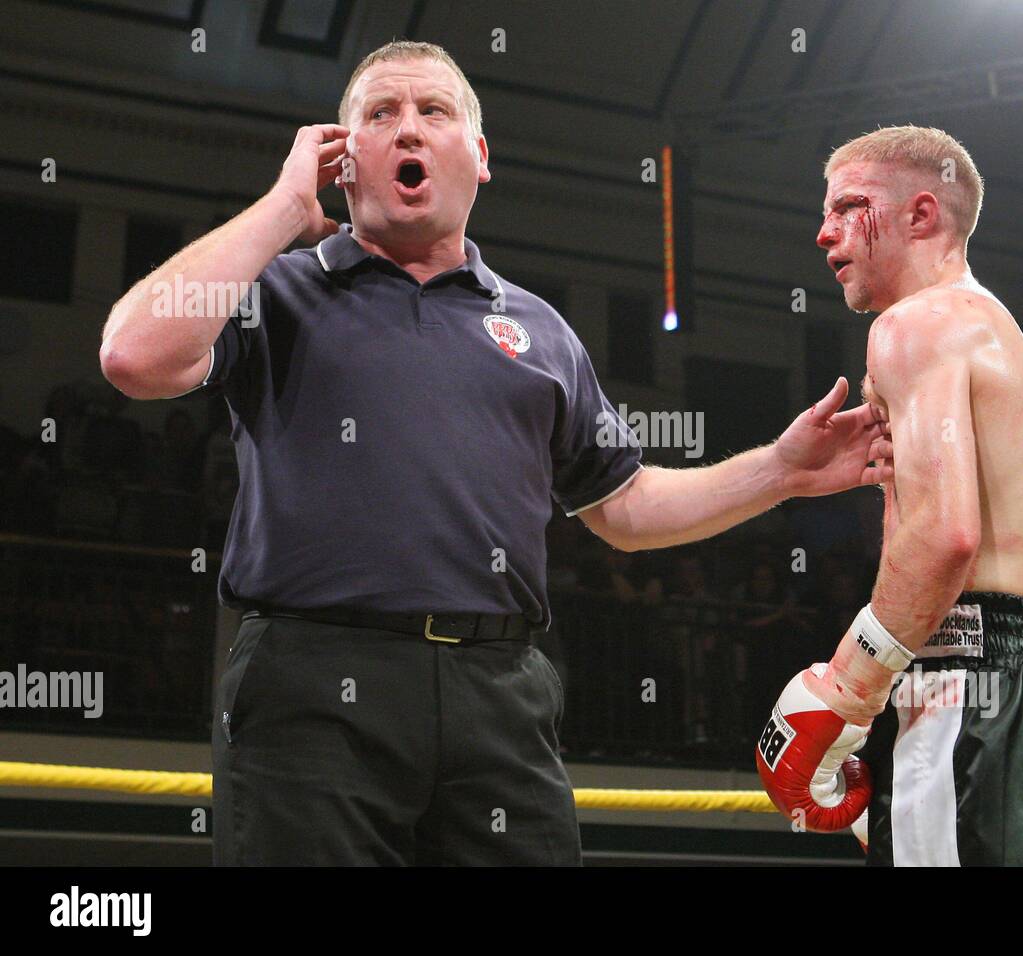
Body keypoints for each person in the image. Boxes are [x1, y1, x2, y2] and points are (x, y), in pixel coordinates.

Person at [98, 41, 893, 865]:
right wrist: (279, 207)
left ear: (477, 159)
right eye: (380, 115)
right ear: (342, 159)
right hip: (312, 688)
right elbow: (134, 357)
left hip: (499, 692)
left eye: (433, 112)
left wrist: (783, 470)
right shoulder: (278, 292)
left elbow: (623, 509)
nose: (408, 130)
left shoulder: (542, 331)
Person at [756, 126, 1023, 865]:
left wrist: (847, 688)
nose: (823, 230)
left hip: (965, 688)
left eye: (849, 206)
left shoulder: (914, 325)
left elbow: (944, 536)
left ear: (921, 215)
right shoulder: (994, 329)